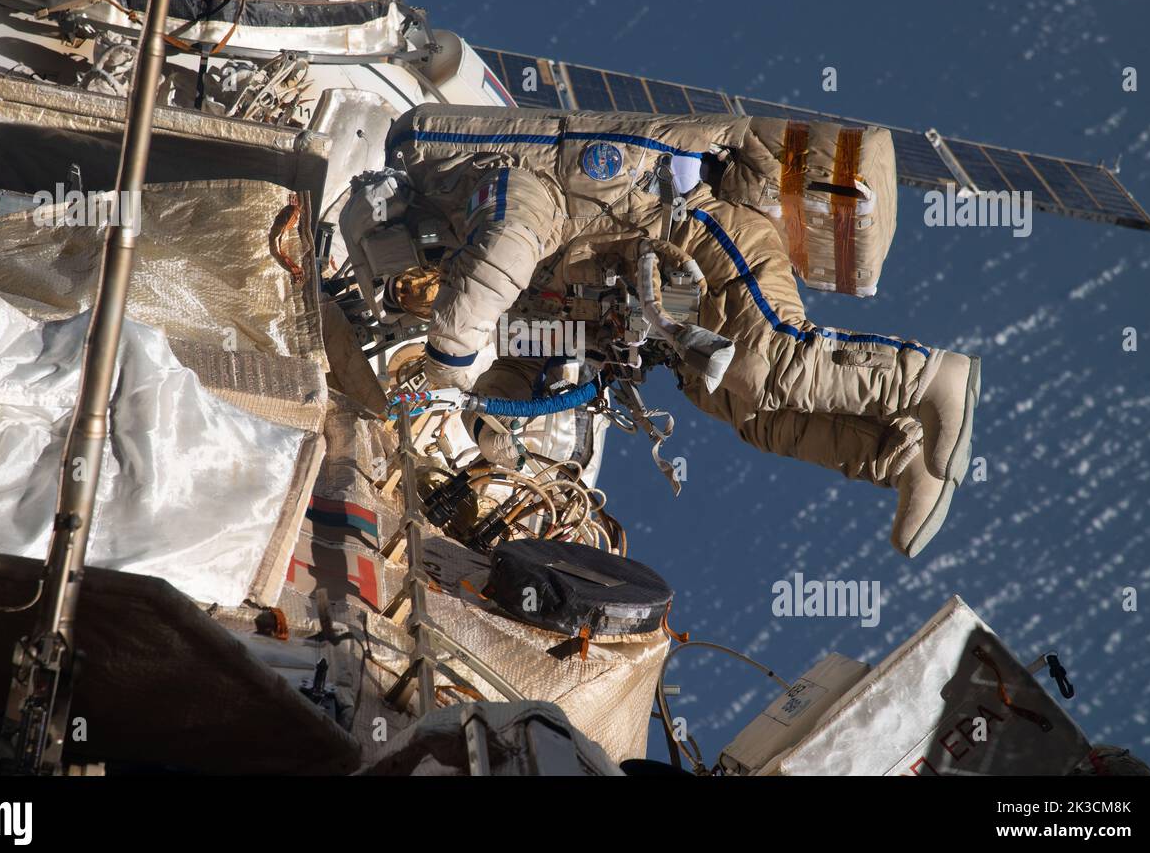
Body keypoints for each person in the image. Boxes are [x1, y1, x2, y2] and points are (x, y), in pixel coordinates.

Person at [349, 106, 981, 557]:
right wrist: (490, 420)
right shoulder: (528, 260)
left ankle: (930, 377)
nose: (418, 290)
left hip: (693, 217)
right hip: (658, 294)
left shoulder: (485, 180)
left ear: (411, 229)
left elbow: (500, 253)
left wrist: (448, 359)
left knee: (768, 360)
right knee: (745, 405)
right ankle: (899, 457)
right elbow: (531, 345)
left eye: (414, 279)